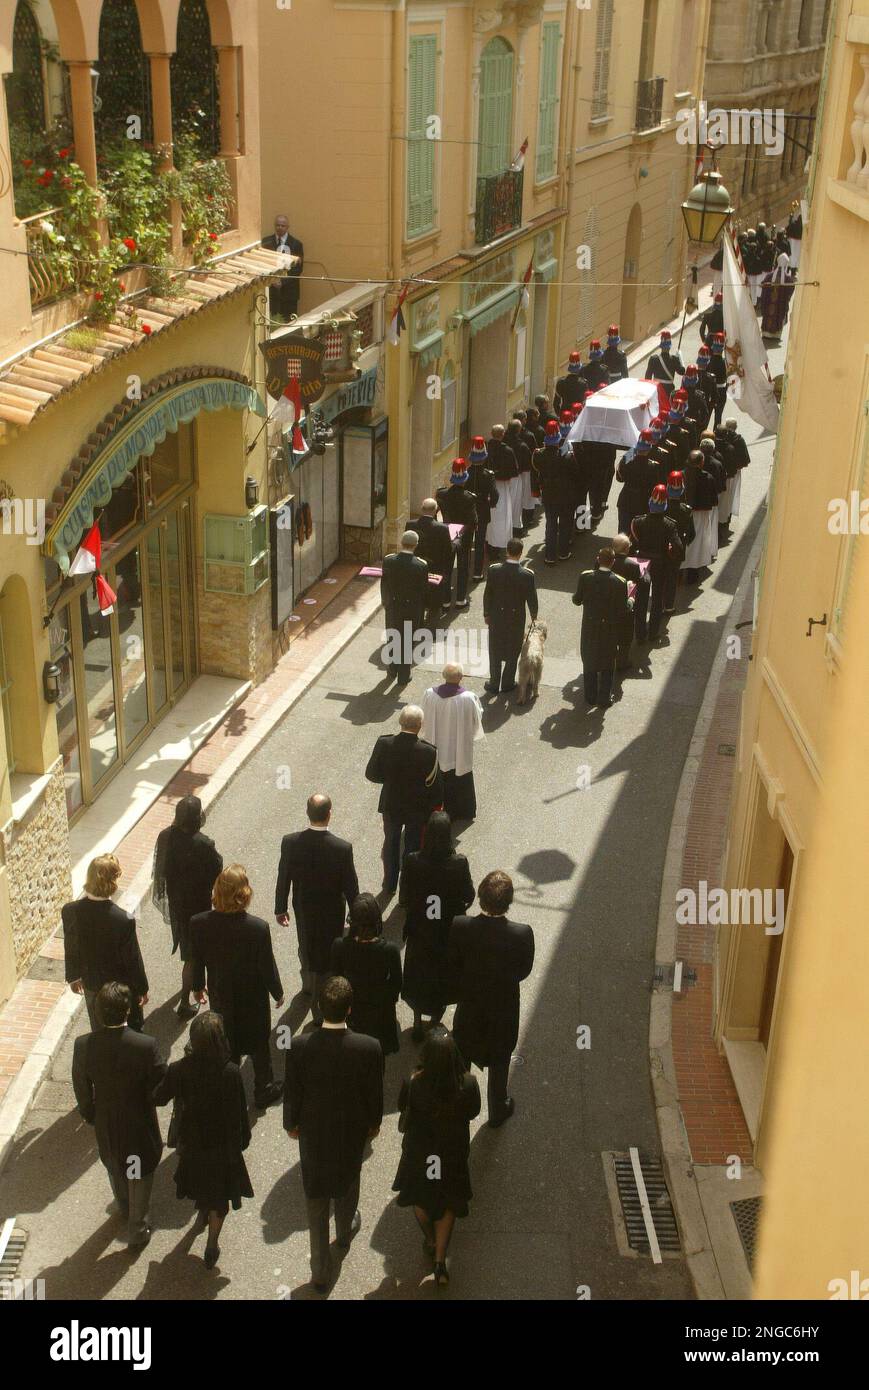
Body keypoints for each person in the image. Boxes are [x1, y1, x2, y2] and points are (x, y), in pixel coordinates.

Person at [283, 976, 383, 1293]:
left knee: (315, 1201)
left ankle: (320, 1271)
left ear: (319, 1008)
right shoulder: (368, 1047)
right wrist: (373, 1123)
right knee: (348, 1181)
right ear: (349, 1010)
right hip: (350, 1132)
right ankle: (344, 1229)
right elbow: (373, 1094)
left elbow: (292, 1092)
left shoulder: (299, 1047)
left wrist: (291, 1124)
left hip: (313, 1134)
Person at [153, 1011, 252, 1270]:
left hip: (193, 1144)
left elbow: (159, 1096)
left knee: (199, 1184)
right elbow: (239, 1113)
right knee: (220, 1198)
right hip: (222, 1148)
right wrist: (242, 1141)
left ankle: (201, 1215)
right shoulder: (230, 1072)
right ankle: (212, 1243)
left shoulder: (180, 1069)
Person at [71, 982, 165, 1249]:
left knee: (115, 1165)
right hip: (138, 1123)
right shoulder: (145, 1045)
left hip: (107, 1122)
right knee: (140, 1173)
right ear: (127, 1012)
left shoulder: (84, 1045)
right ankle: (136, 1226)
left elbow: (81, 1086)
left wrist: (91, 1114)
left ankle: (124, 1206)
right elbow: (159, 1082)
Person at [190, 865, 284, 1109]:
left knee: (226, 1040)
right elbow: (266, 965)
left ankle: (230, 1092)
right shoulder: (258, 928)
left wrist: (198, 986)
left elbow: (196, 960)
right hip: (253, 998)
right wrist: (277, 991)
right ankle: (263, 1089)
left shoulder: (199, 923)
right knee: (259, 1045)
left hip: (221, 995)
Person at [392, 1029, 481, 1287]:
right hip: (452, 1153)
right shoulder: (468, 1083)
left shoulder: (414, 1082)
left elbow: (401, 1106)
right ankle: (441, 1262)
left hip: (421, 1152)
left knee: (420, 1196)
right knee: (448, 1201)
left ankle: (430, 1240)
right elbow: (473, 1111)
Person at [449, 870, 534, 1127]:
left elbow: (454, 963)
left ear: (480, 897)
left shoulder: (460, 926)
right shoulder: (521, 934)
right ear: (508, 902)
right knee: (499, 1061)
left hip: (470, 1007)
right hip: (503, 1009)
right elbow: (524, 970)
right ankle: (497, 1108)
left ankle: (459, 1104)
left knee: (462, 1057)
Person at [274, 793, 359, 1013]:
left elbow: (284, 876)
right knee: (330, 951)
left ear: (307, 813)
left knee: (306, 945)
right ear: (329, 814)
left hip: (304, 908)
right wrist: (355, 911)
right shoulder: (342, 848)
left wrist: (280, 907)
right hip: (332, 911)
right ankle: (324, 997)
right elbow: (350, 884)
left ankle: (308, 984)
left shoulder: (291, 843)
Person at [400, 811, 474, 1041]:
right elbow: (468, 895)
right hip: (447, 933)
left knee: (418, 974)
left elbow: (404, 898)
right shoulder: (458, 863)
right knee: (442, 977)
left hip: (420, 930)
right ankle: (434, 1022)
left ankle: (417, 1019)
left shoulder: (412, 860)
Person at [152, 795, 223, 1020]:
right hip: (198, 905)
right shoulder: (203, 843)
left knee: (189, 950)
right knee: (193, 956)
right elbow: (217, 870)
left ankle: (195, 986)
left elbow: (161, 871)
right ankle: (185, 1000)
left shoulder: (165, 837)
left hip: (178, 903)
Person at [63, 855, 148, 1033]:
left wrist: (73, 976)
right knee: (126, 1030)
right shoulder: (123, 919)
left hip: (92, 983)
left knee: (99, 1029)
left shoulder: (70, 911)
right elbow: (132, 959)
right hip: (120, 987)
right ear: (113, 881)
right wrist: (141, 988)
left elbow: (71, 946)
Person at [365, 705, 443, 896]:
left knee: (390, 843)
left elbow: (371, 773)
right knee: (411, 847)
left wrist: (390, 780)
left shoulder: (384, 743)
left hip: (391, 804)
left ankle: (389, 884)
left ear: (400, 722)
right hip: (417, 808)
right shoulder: (429, 751)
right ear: (420, 725)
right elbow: (434, 784)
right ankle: (406, 890)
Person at [330, 894, 401, 1060]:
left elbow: (336, 979)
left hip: (351, 1013)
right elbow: (396, 984)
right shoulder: (390, 950)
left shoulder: (339, 946)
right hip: (380, 1015)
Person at [422, 663, 484, 821]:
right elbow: (477, 718)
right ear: (461, 678)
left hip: (435, 747)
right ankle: (461, 812)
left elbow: (424, 717)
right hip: (458, 748)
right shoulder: (469, 698)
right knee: (460, 779)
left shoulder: (430, 694)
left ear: (444, 676)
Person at [572, 547, 632, 705]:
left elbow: (577, 600)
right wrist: (631, 601)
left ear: (598, 559)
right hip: (609, 628)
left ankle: (590, 696)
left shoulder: (585, 577)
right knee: (607, 661)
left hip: (590, 627)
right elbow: (622, 609)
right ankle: (604, 697)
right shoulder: (620, 582)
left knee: (589, 658)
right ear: (613, 562)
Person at [483, 538, 539, 695]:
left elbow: (488, 594)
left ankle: (494, 683)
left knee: (495, 649)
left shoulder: (494, 570)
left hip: (496, 616)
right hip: (516, 617)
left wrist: (486, 613)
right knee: (513, 649)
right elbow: (532, 598)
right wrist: (534, 615)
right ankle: (507, 682)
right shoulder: (527, 575)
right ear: (521, 554)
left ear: (507, 551)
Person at [630, 485, 685, 640]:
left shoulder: (638, 521)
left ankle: (640, 634)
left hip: (642, 562)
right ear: (665, 505)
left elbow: (632, 544)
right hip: (660, 563)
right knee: (657, 599)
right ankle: (653, 633)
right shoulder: (670, 524)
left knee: (640, 598)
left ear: (650, 502)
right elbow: (679, 547)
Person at [380, 530, 429, 685]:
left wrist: (385, 601)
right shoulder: (421, 565)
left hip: (393, 606)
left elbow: (384, 583)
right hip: (412, 608)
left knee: (393, 637)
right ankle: (403, 675)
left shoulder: (389, 560)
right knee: (407, 641)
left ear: (401, 543)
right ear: (415, 545)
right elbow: (423, 590)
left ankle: (392, 669)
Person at [435, 459, 477, 609]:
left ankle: (445, 600)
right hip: (464, 535)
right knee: (463, 567)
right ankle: (460, 599)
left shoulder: (441, 494)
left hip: (448, 532)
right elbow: (473, 521)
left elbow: (435, 512)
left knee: (446, 566)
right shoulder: (469, 497)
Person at [533, 418, 576, 563]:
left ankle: (550, 556)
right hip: (565, 494)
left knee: (551, 524)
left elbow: (537, 471)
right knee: (564, 524)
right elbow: (574, 473)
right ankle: (563, 552)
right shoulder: (568, 455)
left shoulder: (538, 454)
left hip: (548, 493)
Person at [411, 498, 455, 622]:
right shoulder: (442, 528)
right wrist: (456, 544)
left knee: (419, 598)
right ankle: (432, 629)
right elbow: (448, 550)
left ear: (421, 509)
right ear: (436, 511)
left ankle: (418, 625)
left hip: (417, 567)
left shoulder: (411, 524)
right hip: (436, 569)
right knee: (435, 602)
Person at [611, 534, 648, 671]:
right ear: (626, 549)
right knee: (626, 636)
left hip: (609, 605)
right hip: (626, 604)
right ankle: (622, 662)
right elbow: (642, 582)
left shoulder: (604, 561)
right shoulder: (632, 565)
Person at [681, 448, 720, 580]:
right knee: (697, 542)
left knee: (683, 540)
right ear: (701, 462)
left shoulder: (681, 475)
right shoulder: (708, 478)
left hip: (683, 513)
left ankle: (680, 570)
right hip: (701, 515)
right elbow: (714, 500)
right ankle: (693, 572)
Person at [466, 438, 499, 581]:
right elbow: (495, 494)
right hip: (482, 511)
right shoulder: (489, 474)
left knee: (467, 543)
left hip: (467, 511)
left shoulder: (466, 472)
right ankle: (477, 573)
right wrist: (492, 504)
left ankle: (465, 570)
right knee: (479, 544)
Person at [663, 470, 695, 612]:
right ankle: (668, 605)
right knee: (671, 578)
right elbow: (692, 534)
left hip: (660, 546)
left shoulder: (661, 506)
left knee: (658, 577)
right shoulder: (686, 510)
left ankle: (658, 602)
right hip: (677, 548)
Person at [616, 429, 659, 534]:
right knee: (638, 535)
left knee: (623, 534)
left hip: (625, 500)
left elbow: (619, 478)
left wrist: (631, 452)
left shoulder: (628, 458)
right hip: (642, 503)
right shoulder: (652, 466)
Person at [485, 424, 518, 561]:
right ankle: (498, 546)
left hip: (487, 486)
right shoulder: (507, 451)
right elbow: (514, 472)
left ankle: (488, 544)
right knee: (501, 518)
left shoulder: (485, 449)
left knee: (489, 518)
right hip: (502, 486)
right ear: (502, 434)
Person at [262, 214, 303, 320]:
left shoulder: (296, 244)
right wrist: (272, 280)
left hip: (289, 293)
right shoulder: (266, 242)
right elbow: (263, 264)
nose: (279, 227)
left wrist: (282, 282)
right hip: (271, 293)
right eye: (277, 225)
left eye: (282, 225)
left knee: (288, 322)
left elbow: (298, 269)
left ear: (287, 227)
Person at [715, 417, 750, 526]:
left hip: (718, 473)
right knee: (729, 496)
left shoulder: (718, 440)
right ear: (736, 427)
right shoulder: (739, 440)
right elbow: (745, 460)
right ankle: (725, 517)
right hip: (732, 474)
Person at [506, 417, 532, 537]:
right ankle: (515, 529)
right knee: (516, 504)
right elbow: (528, 463)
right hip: (516, 477)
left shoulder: (503, 443)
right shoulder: (522, 446)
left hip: (502, 479)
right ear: (519, 430)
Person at [760, 252, 795, 338]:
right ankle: (775, 335)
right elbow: (791, 289)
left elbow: (763, 285)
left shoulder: (770, 275)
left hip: (769, 303)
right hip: (780, 303)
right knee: (778, 313)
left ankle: (766, 333)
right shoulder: (788, 279)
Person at [707, 331, 729, 427]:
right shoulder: (725, 363)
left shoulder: (708, 361)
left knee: (706, 416)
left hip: (710, 391)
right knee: (718, 417)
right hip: (722, 391)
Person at [786, 201, 803, 272]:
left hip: (793, 241)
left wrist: (792, 213)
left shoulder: (794, 224)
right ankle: (794, 269)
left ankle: (790, 267)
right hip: (798, 242)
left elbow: (790, 222)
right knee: (796, 255)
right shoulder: (802, 227)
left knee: (792, 254)